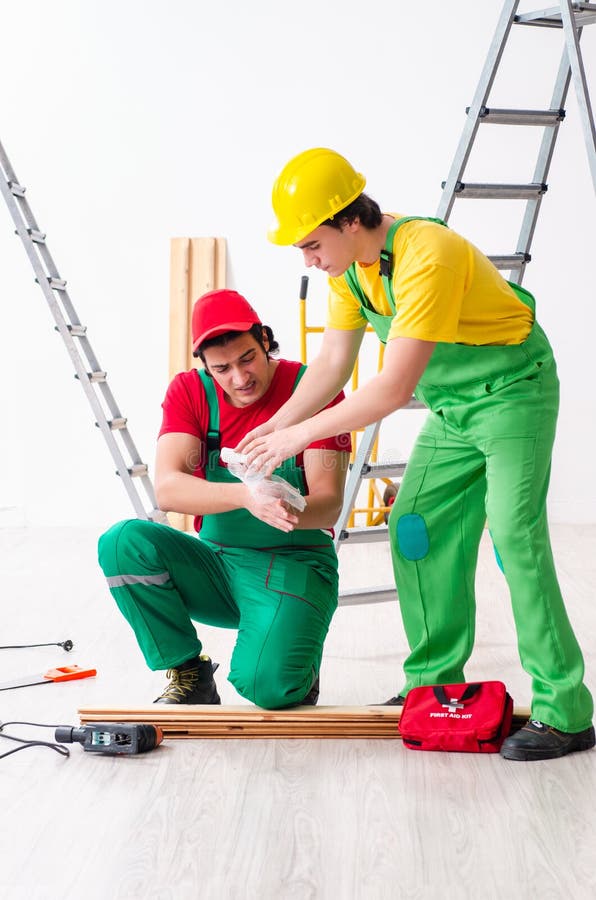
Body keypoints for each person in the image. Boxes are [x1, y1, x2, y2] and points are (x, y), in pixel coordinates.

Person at [239, 147, 595, 760]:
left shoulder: (426, 255)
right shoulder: (352, 272)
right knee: (416, 527)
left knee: (515, 535)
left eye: (310, 243)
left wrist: (299, 436)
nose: (308, 259)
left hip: (514, 394)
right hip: (454, 410)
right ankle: (433, 685)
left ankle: (567, 708)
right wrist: (273, 429)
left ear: (349, 221)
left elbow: (393, 388)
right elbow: (331, 365)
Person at [98, 288, 350, 709]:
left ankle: (296, 652)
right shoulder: (190, 391)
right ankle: (190, 674)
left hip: (296, 564)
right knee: (123, 542)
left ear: (265, 340)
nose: (239, 378)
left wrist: (284, 506)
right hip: (218, 565)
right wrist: (246, 496)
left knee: (270, 690)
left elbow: (329, 503)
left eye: (248, 358)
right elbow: (168, 488)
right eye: (222, 368)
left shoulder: (312, 389)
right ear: (205, 367)